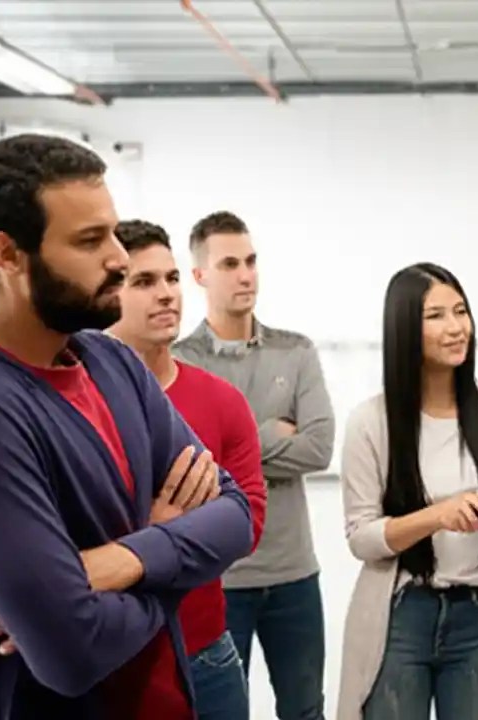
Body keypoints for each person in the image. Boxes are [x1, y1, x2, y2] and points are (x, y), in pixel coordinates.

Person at [0, 133, 255, 719]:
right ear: (8, 255)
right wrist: (170, 553)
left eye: (112, 233)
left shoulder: (107, 360)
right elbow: (71, 650)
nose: (118, 257)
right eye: (90, 241)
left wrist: (118, 562)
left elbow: (235, 517)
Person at [336, 262, 478, 720]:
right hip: (401, 616)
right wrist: (437, 516)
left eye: (461, 311)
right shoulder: (372, 422)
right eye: (436, 315)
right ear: (404, 328)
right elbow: (361, 538)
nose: (456, 327)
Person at [172, 210, 335, 720]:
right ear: (200, 275)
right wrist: (269, 432)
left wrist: (231, 446)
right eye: (229, 264)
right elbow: (182, 461)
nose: (246, 274)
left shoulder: (295, 351)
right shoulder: (180, 361)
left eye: (251, 261)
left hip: (294, 574)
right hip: (220, 579)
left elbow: (319, 447)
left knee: (305, 710)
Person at [110, 219, 269, 720]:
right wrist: (177, 527)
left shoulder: (221, 401)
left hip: (207, 652)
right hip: (114, 656)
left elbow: (246, 525)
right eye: (143, 282)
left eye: (172, 278)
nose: (166, 295)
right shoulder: (79, 404)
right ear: (107, 294)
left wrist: (135, 544)